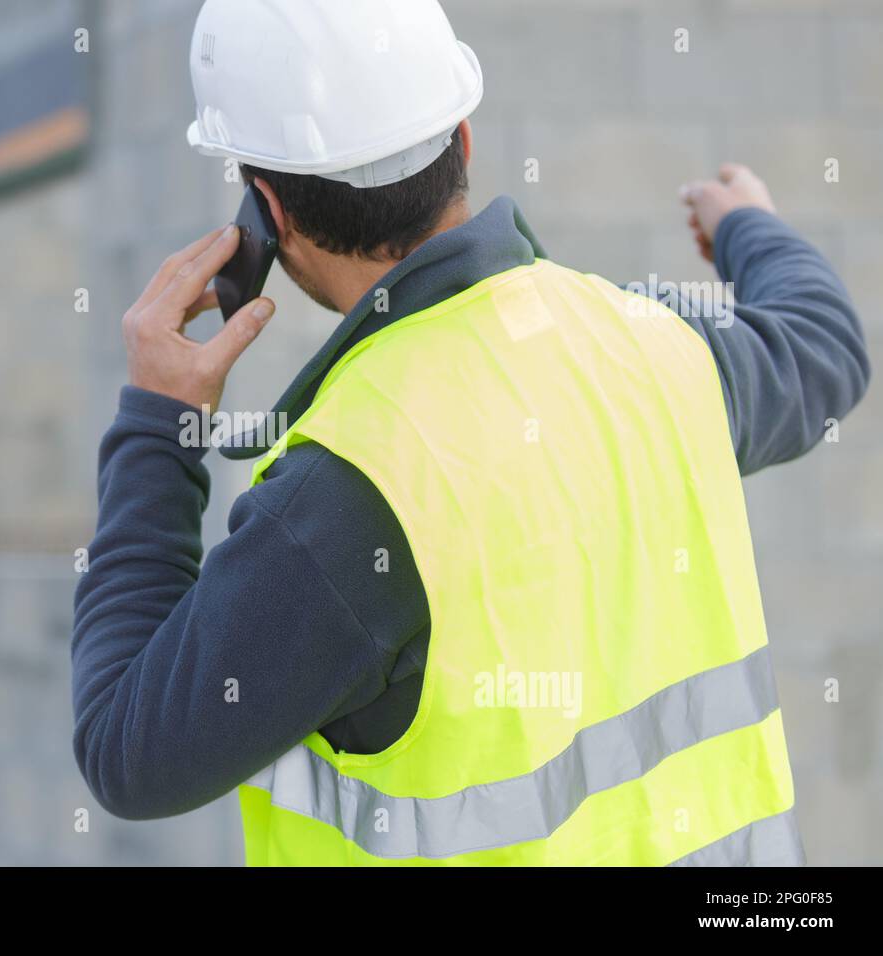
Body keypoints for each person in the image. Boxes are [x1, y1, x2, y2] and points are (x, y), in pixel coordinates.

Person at [71, 0, 870, 865]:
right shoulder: (655, 346)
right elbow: (823, 349)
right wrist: (748, 223)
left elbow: (127, 750)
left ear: (271, 207)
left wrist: (159, 423)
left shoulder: (343, 498)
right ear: (462, 138)